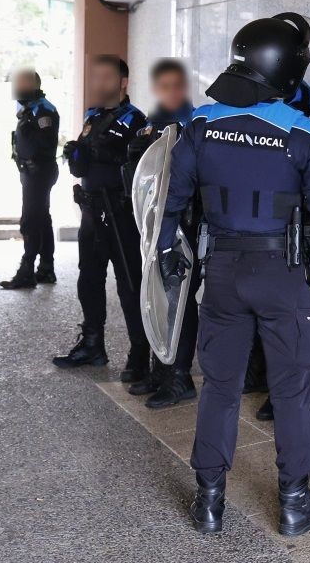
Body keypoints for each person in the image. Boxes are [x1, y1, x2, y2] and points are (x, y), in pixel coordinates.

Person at [157, 17, 310, 537]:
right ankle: (295, 504)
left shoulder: (200, 124)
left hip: (221, 271)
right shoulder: (304, 132)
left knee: (220, 386)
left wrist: (165, 249)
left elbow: (170, 198)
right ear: (288, 68)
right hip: (283, 272)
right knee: (292, 389)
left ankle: (209, 502)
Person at [53, 55, 151, 383]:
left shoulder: (136, 120)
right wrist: (76, 154)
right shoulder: (92, 116)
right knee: (89, 279)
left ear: (123, 82)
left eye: (107, 77)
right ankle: (93, 344)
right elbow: (82, 165)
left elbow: (138, 169)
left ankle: (140, 353)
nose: (99, 83)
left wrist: (101, 154)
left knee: (129, 284)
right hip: (92, 212)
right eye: (95, 77)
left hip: (119, 213)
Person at [124, 59, 199, 408]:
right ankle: (161, 369)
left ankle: (180, 376)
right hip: (153, 225)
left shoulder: (196, 126)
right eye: (164, 86)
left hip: (185, 225)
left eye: (177, 85)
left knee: (179, 298)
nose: (171, 92)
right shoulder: (150, 126)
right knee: (157, 296)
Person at [0, 68, 60, 289]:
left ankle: (27, 271)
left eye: (22, 83)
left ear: (34, 84)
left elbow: (44, 143)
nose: (17, 87)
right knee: (42, 219)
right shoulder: (29, 108)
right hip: (31, 172)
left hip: (39, 172)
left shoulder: (43, 110)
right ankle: (46, 268)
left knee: (30, 221)